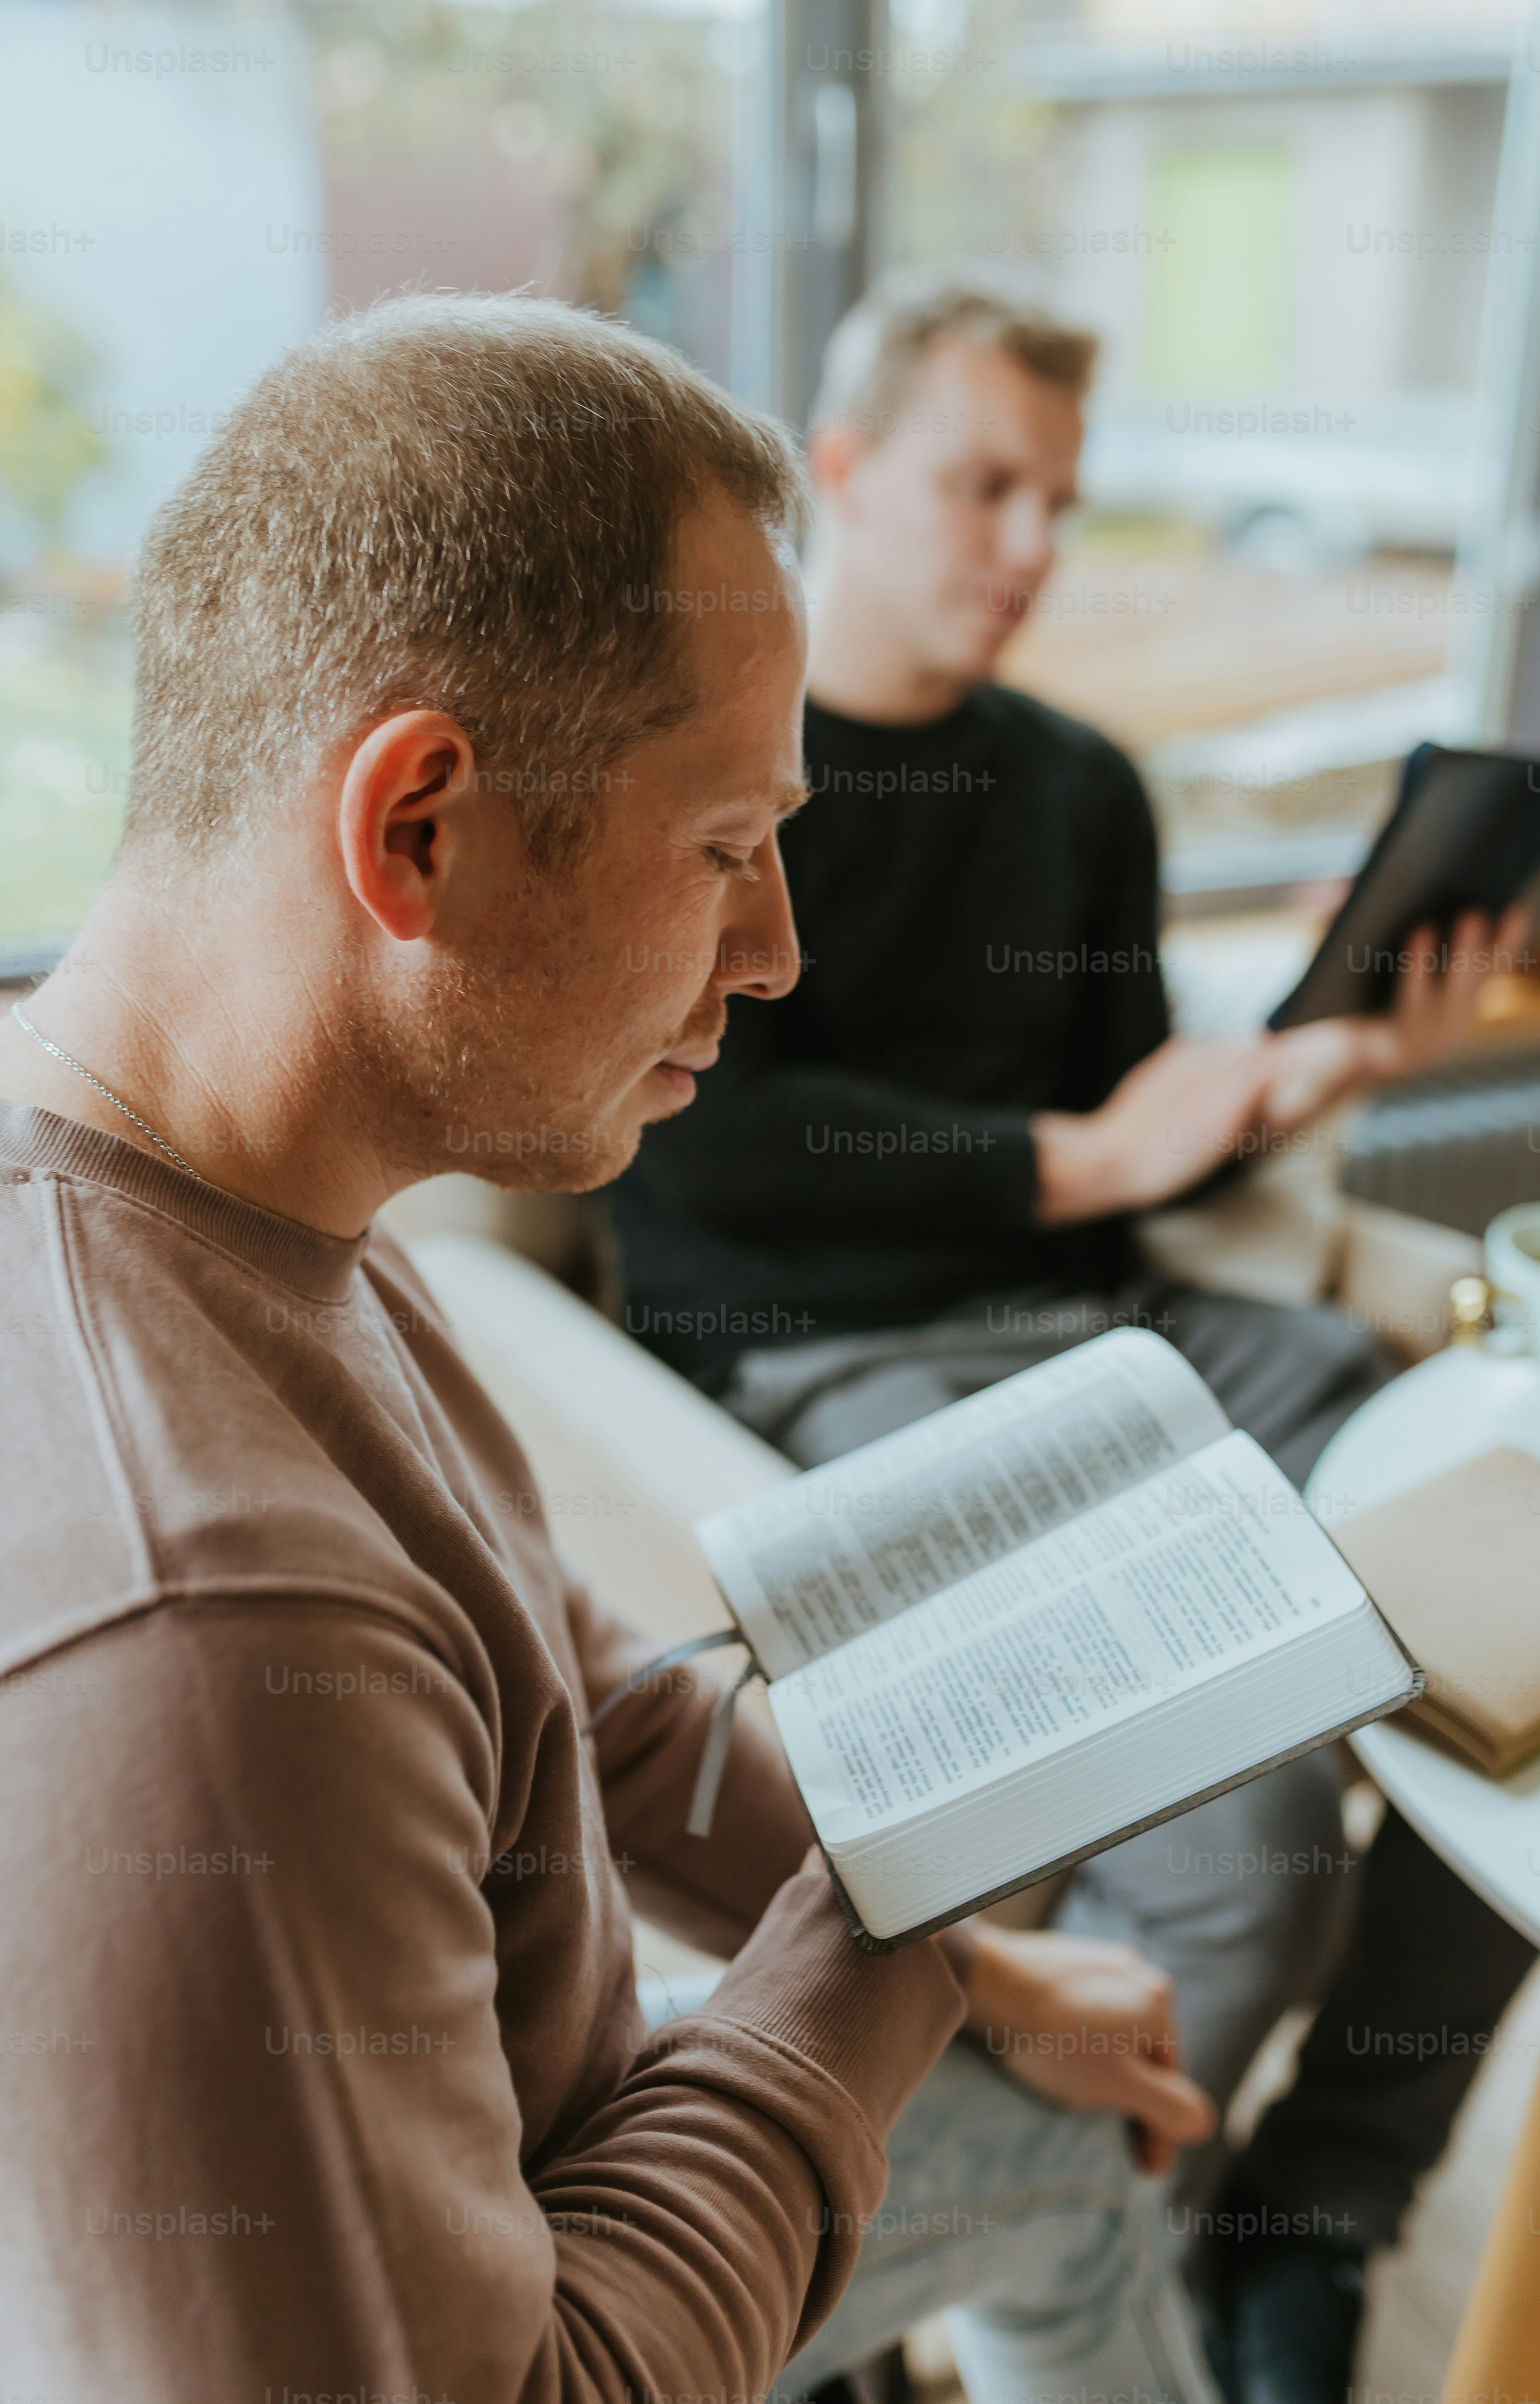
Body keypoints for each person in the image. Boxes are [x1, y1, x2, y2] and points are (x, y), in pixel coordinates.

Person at [0, 292, 1239, 2404]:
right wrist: (876, 1957)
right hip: (503, 2283)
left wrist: (978, 1958)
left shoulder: (260, 1203)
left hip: (497, 2135)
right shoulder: (206, 1635)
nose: (775, 953)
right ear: (419, 827)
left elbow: (594, 1711)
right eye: (729, 846)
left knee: (1067, 2141)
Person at [610, 274, 1536, 2404]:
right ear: (838, 472)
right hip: (851, 1357)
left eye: (1062, 499)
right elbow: (718, 1156)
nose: (1027, 544)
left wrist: (1302, 1088)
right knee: (1258, 1815)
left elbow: (1144, 1137)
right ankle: (1087, 2258)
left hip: (1121, 1326)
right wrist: (1073, 1166)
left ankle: (1311, 2206)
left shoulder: (1083, 787)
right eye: (981, 485)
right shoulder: (721, 769)